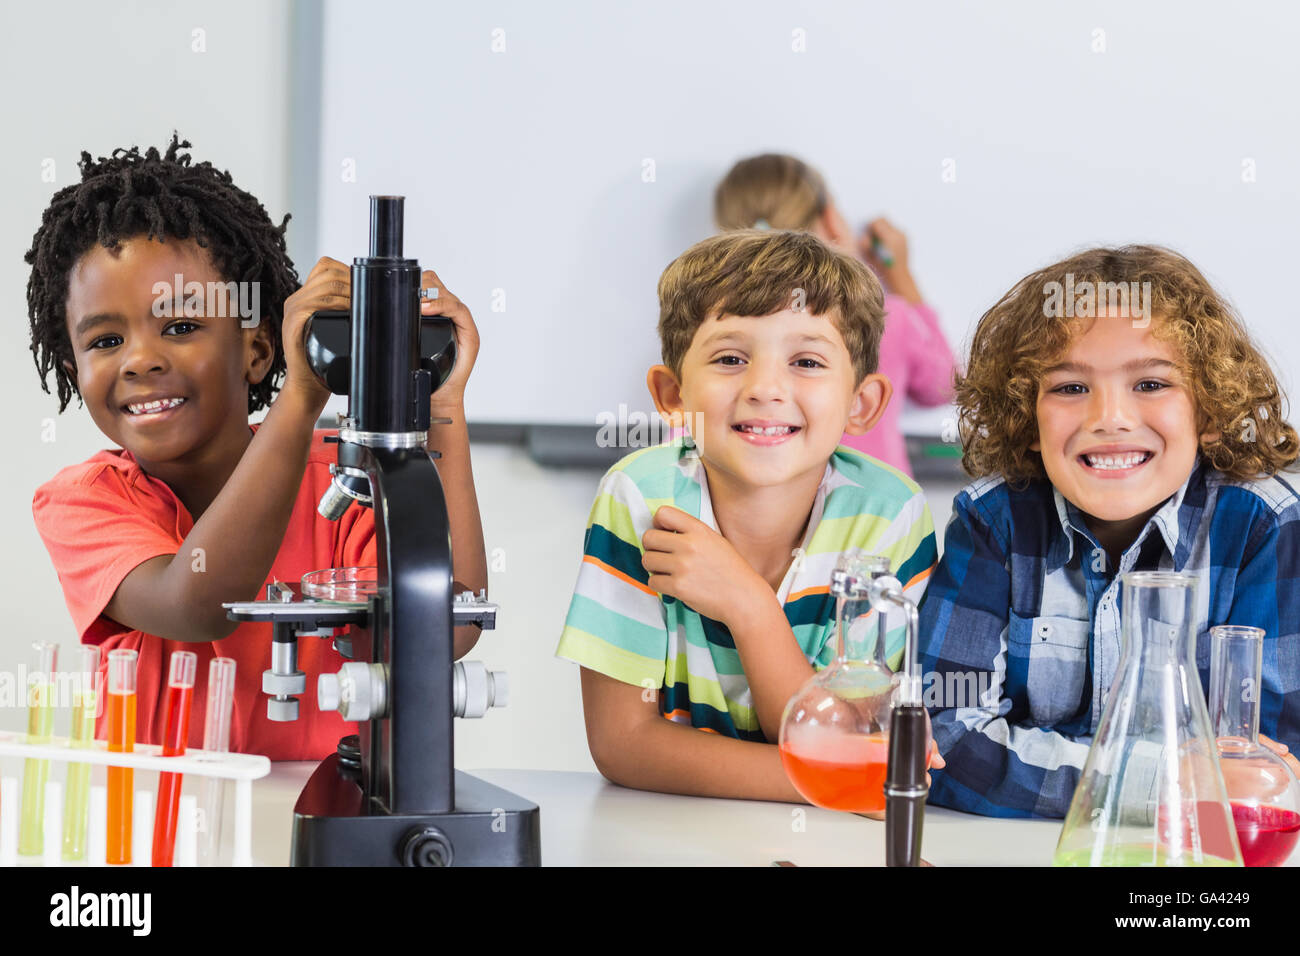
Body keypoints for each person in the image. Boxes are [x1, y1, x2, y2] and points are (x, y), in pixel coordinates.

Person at [28, 135, 487, 760]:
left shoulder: (348, 481)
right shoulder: (87, 504)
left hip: (327, 819)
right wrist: (302, 395)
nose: (139, 360)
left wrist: (440, 409)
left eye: (182, 326)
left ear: (259, 350)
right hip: (161, 830)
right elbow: (200, 604)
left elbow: (449, 625)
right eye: (105, 341)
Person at [556, 229, 940, 800]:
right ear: (672, 396)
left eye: (807, 361)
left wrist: (750, 607)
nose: (765, 388)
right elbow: (622, 742)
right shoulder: (641, 498)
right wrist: (840, 779)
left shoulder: (889, 515)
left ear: (861, 405)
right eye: (731, 358)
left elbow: (854, 736)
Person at [919, 245, 1300, 817]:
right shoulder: (992, 521)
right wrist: (1160, 780)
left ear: (1210, 409)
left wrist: (1054, 773)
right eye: (1071, 388)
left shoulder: (1263, 526)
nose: (1110, 417)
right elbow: (941, 737)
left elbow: (1269, 768)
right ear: (1026, 419)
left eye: (1150, 384)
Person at [714, 153, 955, 476]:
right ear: (830, 219)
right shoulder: (881, 316)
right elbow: (944, 385)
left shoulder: (714, 324)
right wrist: (900, 276)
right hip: (876, 512)